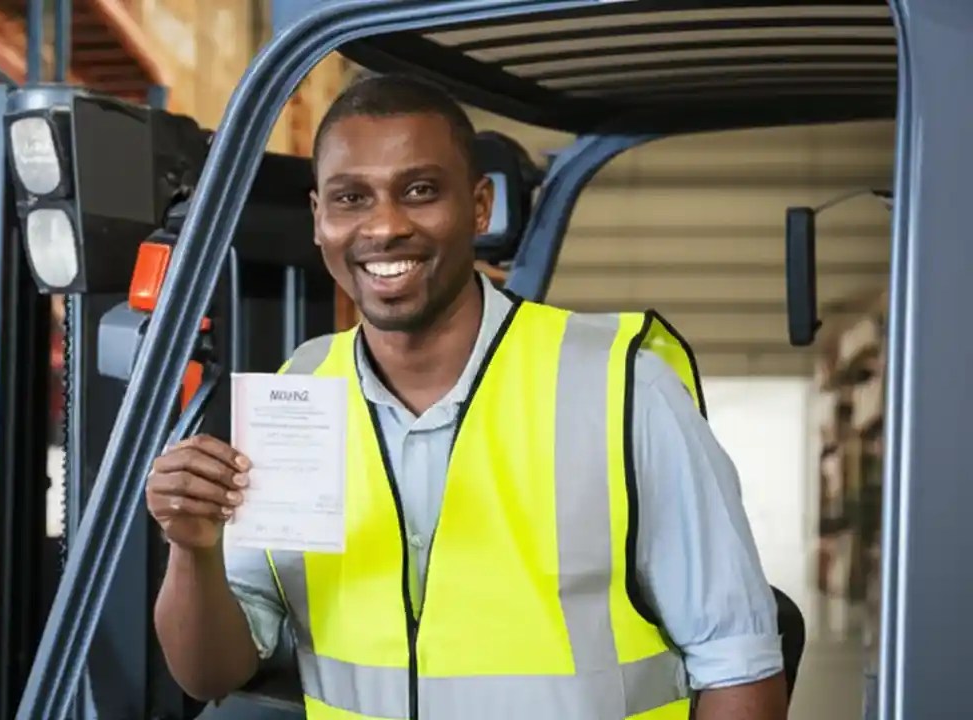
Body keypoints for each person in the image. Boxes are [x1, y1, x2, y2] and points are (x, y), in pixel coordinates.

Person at [147, 73, 788, 720]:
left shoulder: (621, 387)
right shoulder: (301, 397)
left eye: (419, 191)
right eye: (351, 198)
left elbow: (741, 668)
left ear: (479, 207)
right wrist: (192, 549)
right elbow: (211, 674)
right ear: (320, 219)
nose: (385, 226)